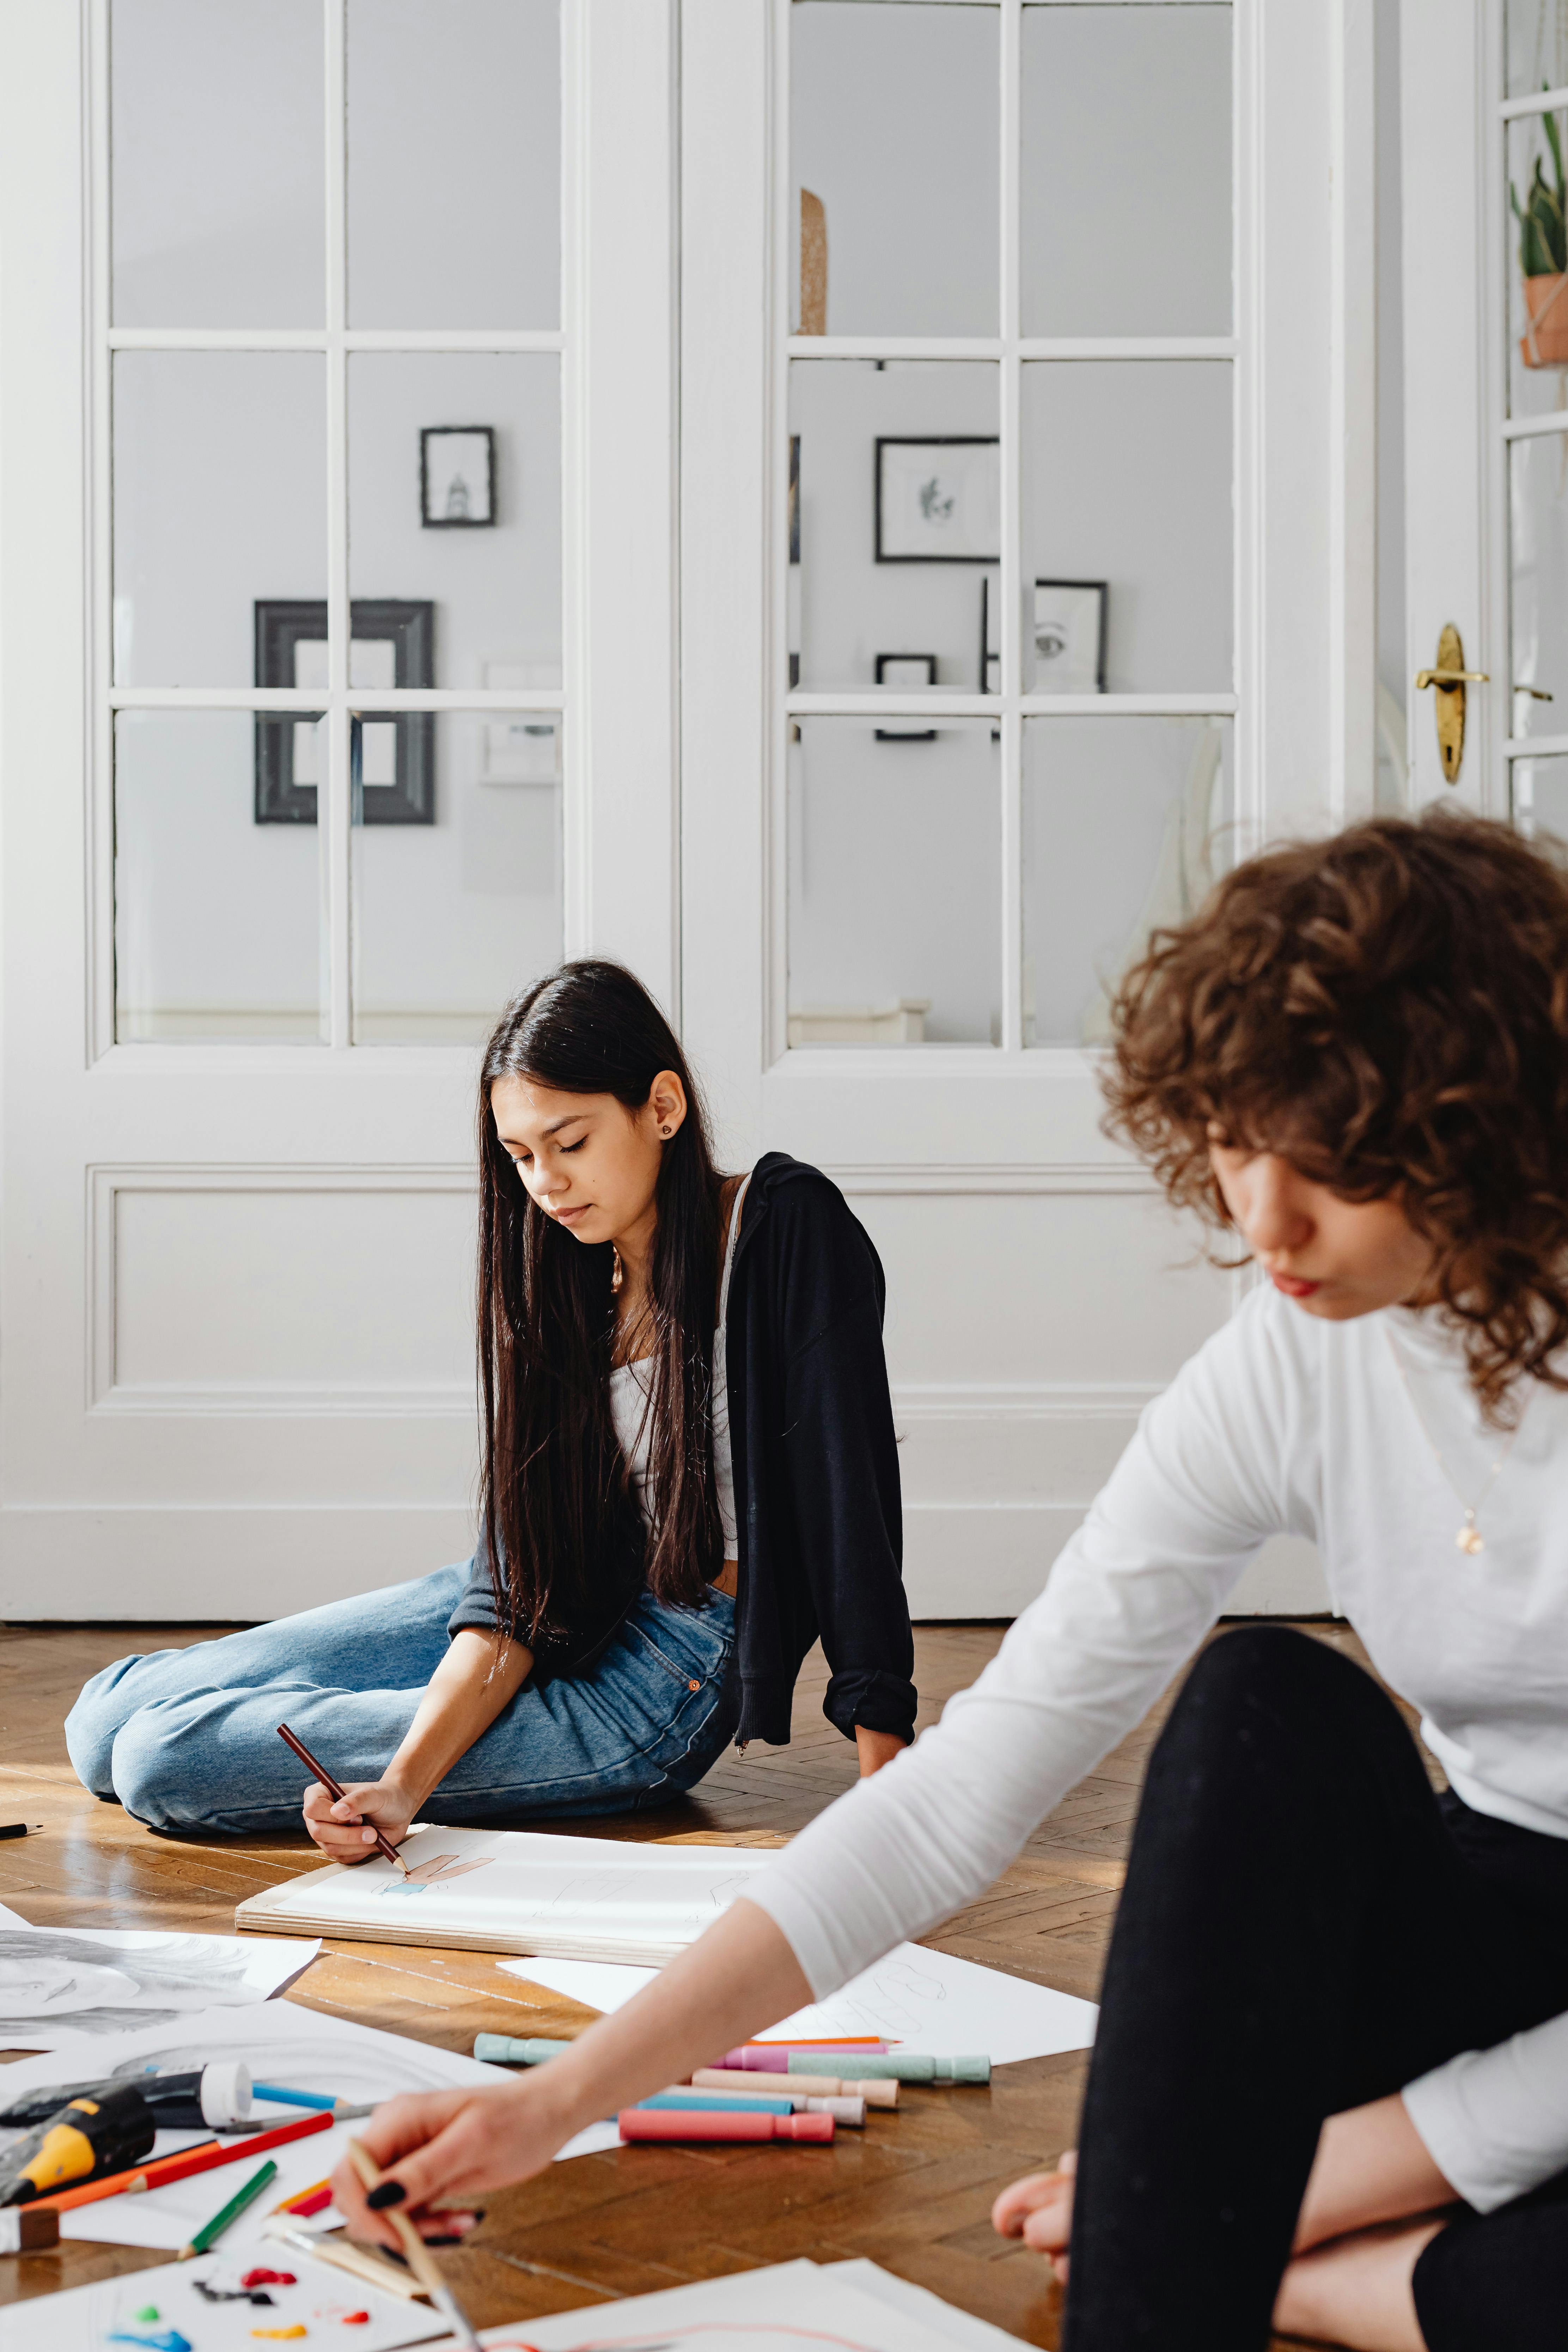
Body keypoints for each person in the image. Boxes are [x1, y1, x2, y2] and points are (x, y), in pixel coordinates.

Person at [328, 815, 1568, 2352]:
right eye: (1240, 1144)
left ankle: (1326, 2269)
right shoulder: (1292, 1349)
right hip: (1487, 1905)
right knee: (1266, 1702)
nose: (1263, 1222)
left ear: (1490, 1126)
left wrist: (1309, 2176)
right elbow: (965, 1784)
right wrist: (557, 2100)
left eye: (1336, 1165)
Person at [65, 960, 916, 1842]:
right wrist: (406, 1776)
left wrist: (888, 1799)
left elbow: (850, 1504)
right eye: (521, 1157)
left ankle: (378, 1719)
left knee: (159, 1759)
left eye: (570, 1142)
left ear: (662, 1106)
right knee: (103, 1716)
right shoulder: (563, 1278)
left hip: (664, 1675)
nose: (545, 1183)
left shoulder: (784, 1229)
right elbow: (516, 1585)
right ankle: (393, 1714)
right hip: (548, 1606)